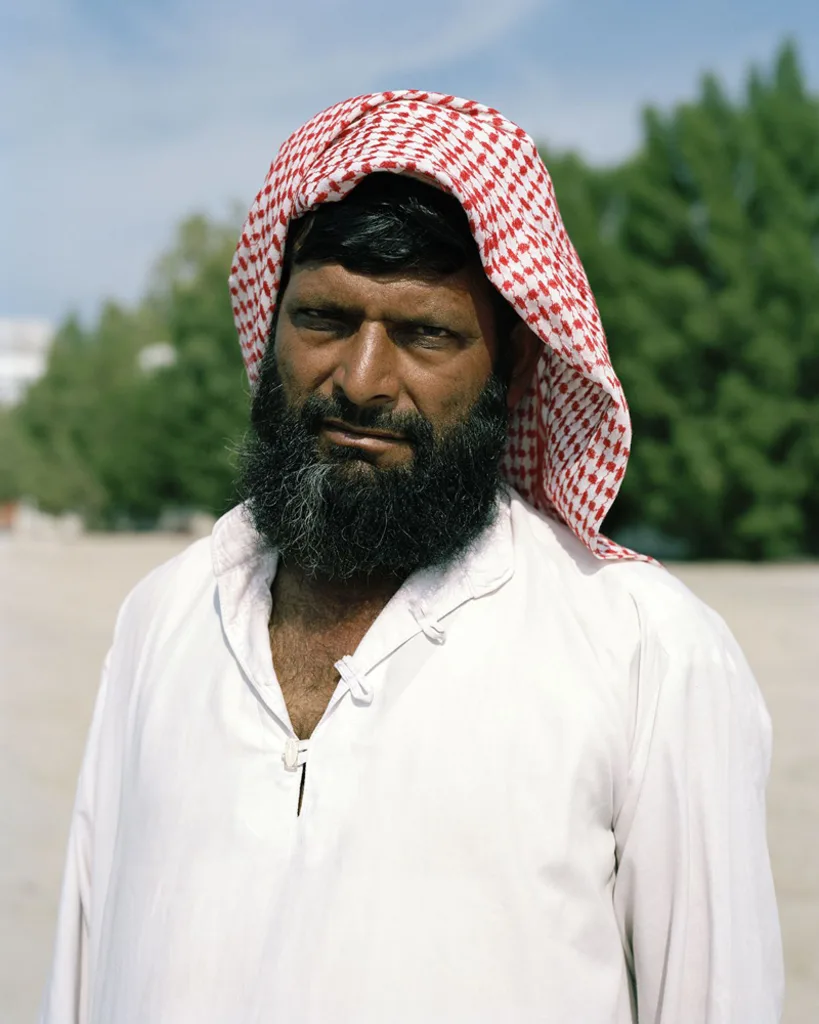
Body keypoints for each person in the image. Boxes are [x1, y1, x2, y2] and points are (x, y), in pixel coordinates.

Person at [41, 91, 783, 1024]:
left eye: (425, 333)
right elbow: (79, 972)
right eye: (323, 319)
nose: (360, 380)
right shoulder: (165, 616)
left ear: (513, 362)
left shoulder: (644, 649)